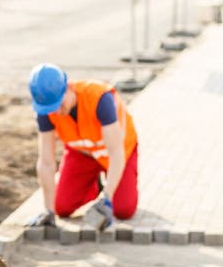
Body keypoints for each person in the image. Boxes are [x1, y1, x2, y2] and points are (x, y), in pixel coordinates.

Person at [26, 63, 139, 230]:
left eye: (59, 104)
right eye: (51, 108)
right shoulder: (45, 112)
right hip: (82, 154)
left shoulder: (100, 98)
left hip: (119, 152)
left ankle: (106, 191)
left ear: (68, 87)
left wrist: (107, 199)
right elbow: (46, 162)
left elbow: (116, 153)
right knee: (61, 208)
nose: (56, 111)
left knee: (123, 210)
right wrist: (48, 210)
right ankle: (92, 186)